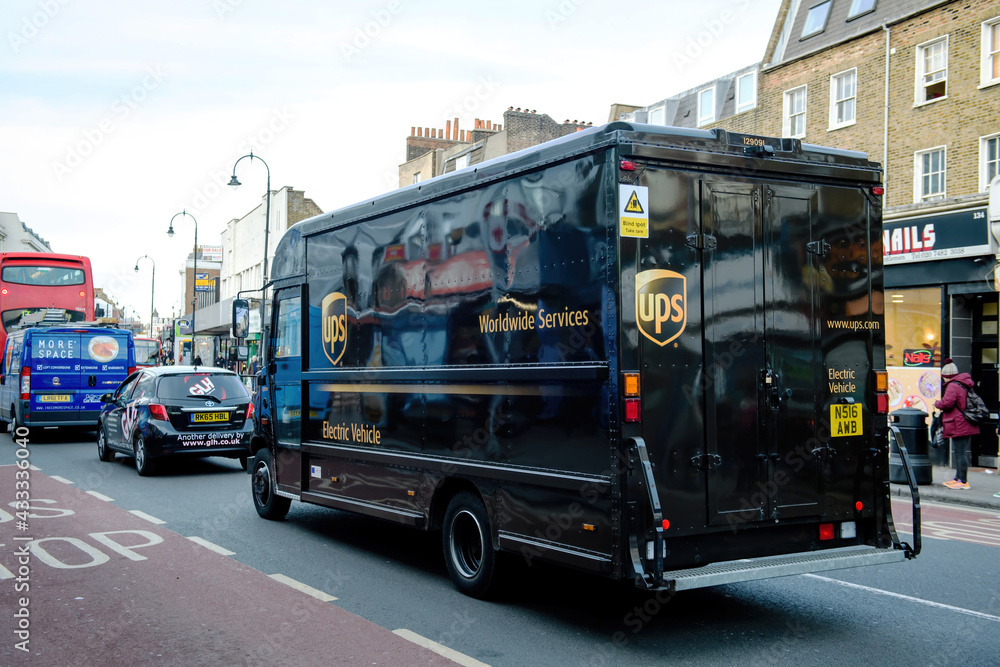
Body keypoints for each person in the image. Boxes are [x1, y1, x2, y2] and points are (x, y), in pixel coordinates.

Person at [933, 359, 979, 490]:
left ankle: (963, 481)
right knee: (960, 453)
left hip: (959, 423)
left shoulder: (953, 386)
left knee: (960, 453)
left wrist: (937, 403)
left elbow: (947, 403)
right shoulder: (963, 384)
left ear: (946, 376)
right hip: (964, 422)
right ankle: (957, 478)